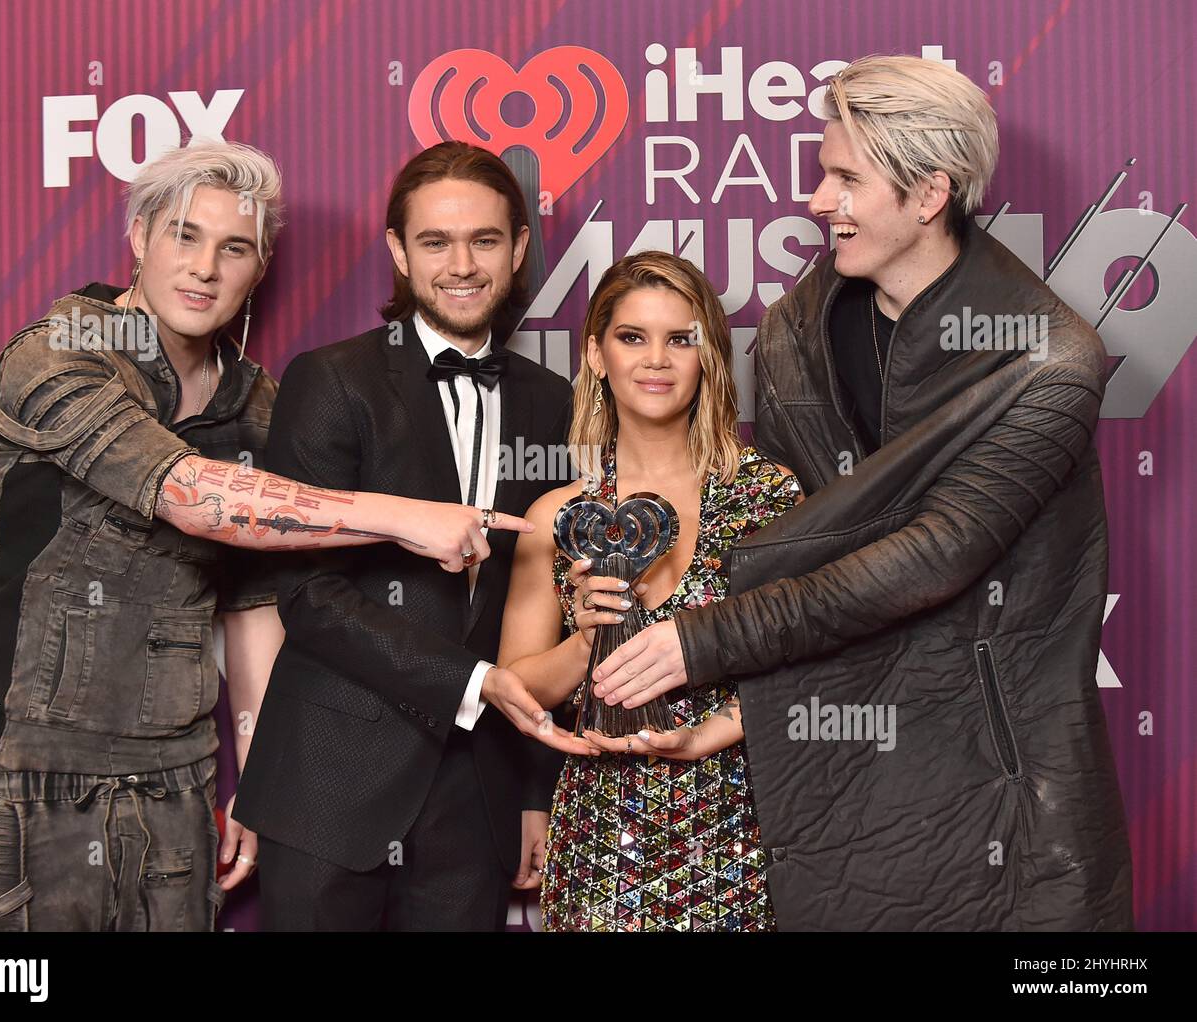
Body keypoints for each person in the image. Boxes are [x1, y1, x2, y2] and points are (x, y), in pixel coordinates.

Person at [589, 56, 1134, 931]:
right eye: (820, 173)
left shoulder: (1048, 363)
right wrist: (717, 705)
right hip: (846, 772)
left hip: (1004, 780)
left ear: (928, 195)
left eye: (846, 178)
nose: (817, 199)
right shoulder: (794, 334)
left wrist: (706, 641)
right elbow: (790, 536)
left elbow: (933, 555)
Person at [0, 140, 531, 932]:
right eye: (185, 236)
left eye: (236, 248)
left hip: (176, 769)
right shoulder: (60, 351)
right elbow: (195, 496)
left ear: (259, 268)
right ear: (140, 238)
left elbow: (255, 604)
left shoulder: (257, 401)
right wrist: (401, 515)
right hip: (35, 762)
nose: (204, 269)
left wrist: (257, 779)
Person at [232, 141, 588, 931]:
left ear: (519, 247)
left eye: (485, 240)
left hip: (477, 796)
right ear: (398, 251)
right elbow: (311, 597)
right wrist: (473, 683)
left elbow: (544, 604)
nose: (461, 264)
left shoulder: (553, 402)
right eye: (435, 242)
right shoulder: (330, 380)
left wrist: (533, 791)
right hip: (329, 785)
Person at [498, 251, 803, 931]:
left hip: (742, 822)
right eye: (632, 337)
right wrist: (584, 641)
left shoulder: (769, 497)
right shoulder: (557, 517)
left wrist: (711, 734)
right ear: (597, 356)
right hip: (604, 834)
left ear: (710, 358)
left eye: (681, 339)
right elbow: (518, 689)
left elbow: (817, 672)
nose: (656, 359)